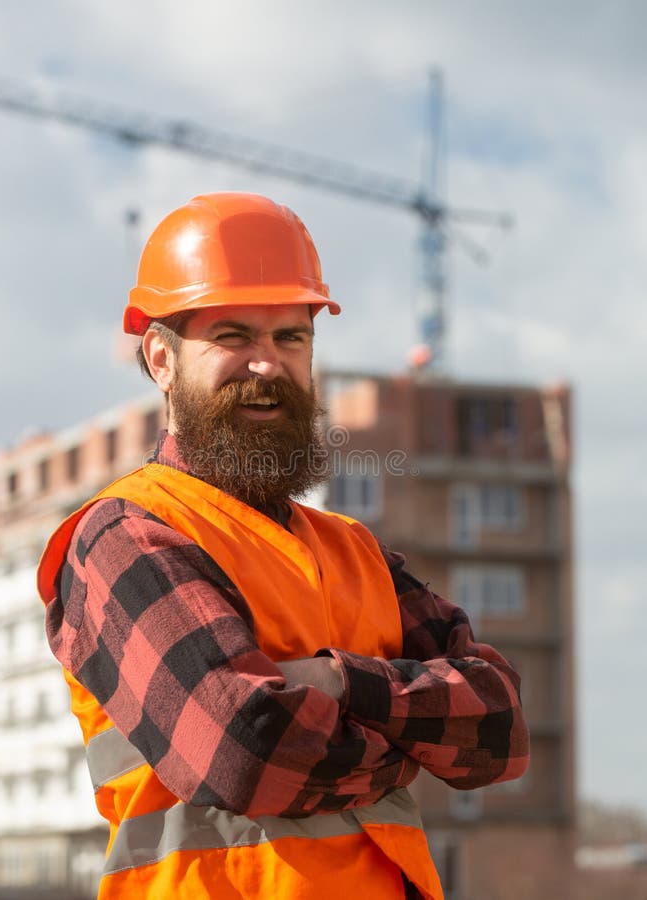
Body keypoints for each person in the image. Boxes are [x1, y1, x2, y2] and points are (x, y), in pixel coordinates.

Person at [37, 192, 529, 899]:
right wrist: (413, 741)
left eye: (290, 338)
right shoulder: (124, 534)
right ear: (161, 359)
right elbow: (246, 749)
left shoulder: (353, 549)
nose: (266, 365)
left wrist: (332, 682)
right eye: (233, 336)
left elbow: (499, 730)